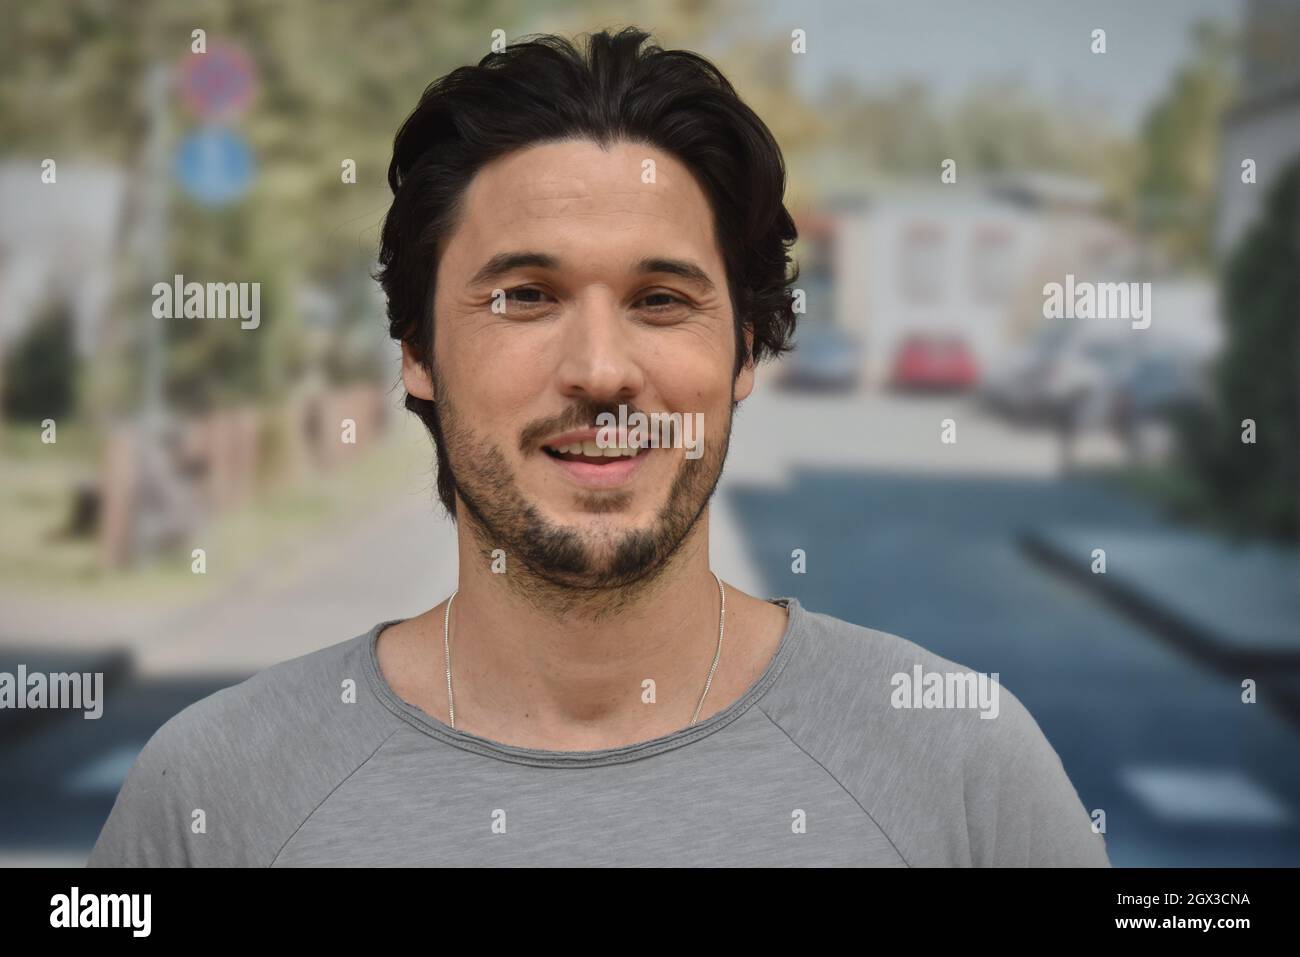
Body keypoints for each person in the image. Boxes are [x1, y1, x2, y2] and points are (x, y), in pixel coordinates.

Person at [87, 27, 1109, 867]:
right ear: (418, 354)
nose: (601, 370)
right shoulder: (211, 797)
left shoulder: (964, 771)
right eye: (524, 297)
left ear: (745, 350)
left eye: (660, 301)